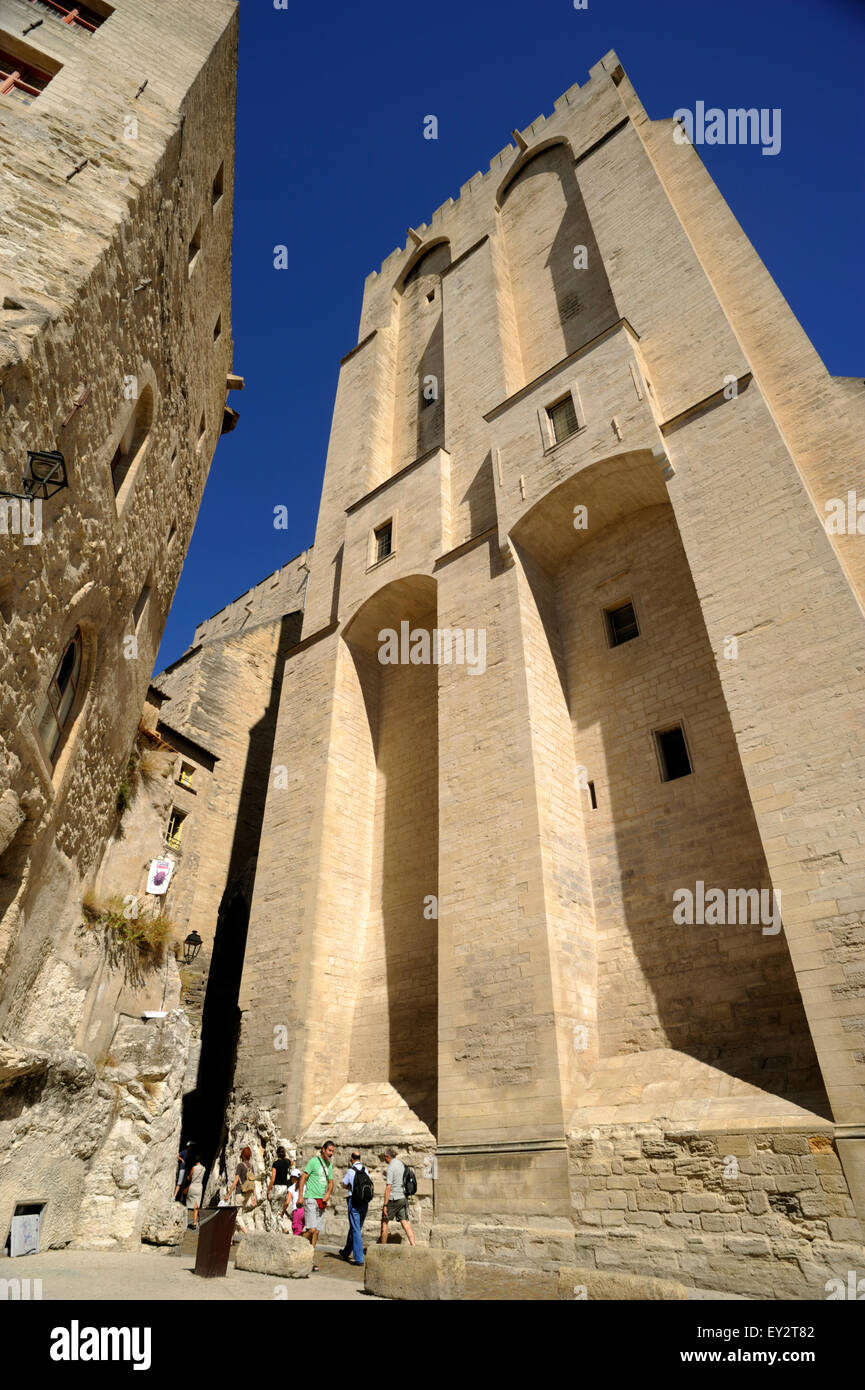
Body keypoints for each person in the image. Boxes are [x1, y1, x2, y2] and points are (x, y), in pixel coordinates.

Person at [295, 1140, 334, 1263]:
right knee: (311, 1230)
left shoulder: (329, 1165)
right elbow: (303, 1177)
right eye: (329, 1150)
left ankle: (309, 1258)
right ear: (323, 1150)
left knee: (316, 1231)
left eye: (333, 1151)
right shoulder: (313, 1162)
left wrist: (328, 1193)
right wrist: (300, 1196)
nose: (331, 1153)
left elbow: (331, 1182)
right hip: (311, 1198)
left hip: (321, 1201)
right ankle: (296, 1240)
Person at [338, 1150, 372, 1266]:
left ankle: (359, 1258)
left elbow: (344, 1184)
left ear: (352, 1159)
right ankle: (346, 1251)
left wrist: (345, 1185)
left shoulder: (351, 1171)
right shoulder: (365, 1170)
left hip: (354, 1201)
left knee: (356, 1229)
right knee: (356, 1227)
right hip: (364, 1202)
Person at [378, 1145, 416, 1247]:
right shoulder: (401, 1164)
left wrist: (385, 1205)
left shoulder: (391, 1167)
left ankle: (383, 1248)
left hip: (393, 1199)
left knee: (384, 1222)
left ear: (387, 1156)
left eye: (384, 1157)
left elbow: (389, 1187)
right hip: (402, 1198)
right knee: (404, 1222)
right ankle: (414, 1245)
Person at [225, 1145, 257, 1235]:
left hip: (240, 1193)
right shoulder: (251, 1166)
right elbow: (253, 1182)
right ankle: (230, 1239)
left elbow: (235, 1182)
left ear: (242, 1155)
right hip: (248, 1194)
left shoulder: (240, 1166)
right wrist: (254, 1196)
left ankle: (246, 1233)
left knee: (237, 1215)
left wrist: (228, 1194)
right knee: (237, 1214)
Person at [267, 1145, 292, 1231]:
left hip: (276, 1188)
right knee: (280, 1212)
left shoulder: (275, 1164)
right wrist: (285, 1157)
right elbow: (291, 1162)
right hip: (284, 1188)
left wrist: (268, 1191)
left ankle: (273, 1233)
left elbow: (273, 1179)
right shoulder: (287, 1162)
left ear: (277, 1154)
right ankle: (283, 1228)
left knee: (274, 1212)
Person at [185, 1151, 206, 1229]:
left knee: (187, 1204)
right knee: (196, 1206)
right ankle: (194, 1223)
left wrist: (189, 1177)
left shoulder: (193, 1168)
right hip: (199, 1187)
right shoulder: (204, 1169)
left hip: (192, 1187)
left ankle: (184, 1221)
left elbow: (189, 1177)